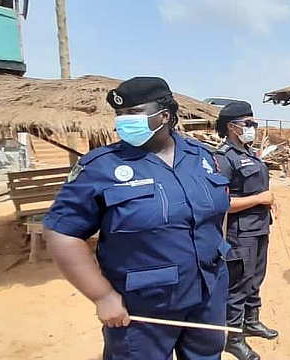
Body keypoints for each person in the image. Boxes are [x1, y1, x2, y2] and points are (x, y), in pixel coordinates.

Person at [42, 77, 232, 360]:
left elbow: (218, 212)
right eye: (120, 115)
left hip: (209, 291)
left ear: (164, 116)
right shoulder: (100, 167)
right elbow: (62, 233)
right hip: (144, 305)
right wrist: (102, 296)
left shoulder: (201, 156)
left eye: (134, 113)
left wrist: (217, 252)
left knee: (206, 356)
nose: (123, 121)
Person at [214, 102, 279, 360]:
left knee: (255, 280)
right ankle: (234, 338)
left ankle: (252, 322)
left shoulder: (251, 154)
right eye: (248, 124)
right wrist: (262, 198)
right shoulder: (224, 158)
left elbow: (261, 189)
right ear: (232, 127)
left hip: (260, 228)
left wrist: (271, 201)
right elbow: (221, 203)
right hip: (240, 234)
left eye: (254, 123)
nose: (253, 128)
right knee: (239, 286)